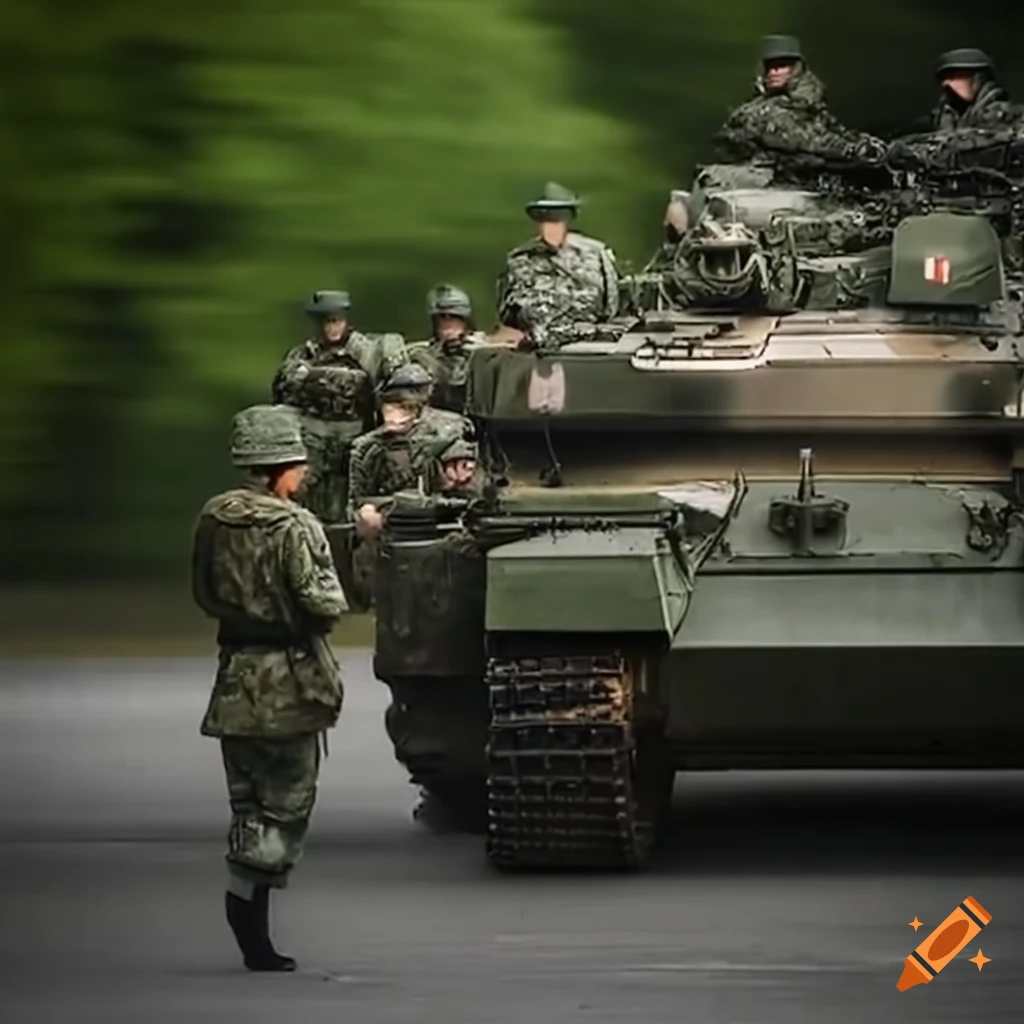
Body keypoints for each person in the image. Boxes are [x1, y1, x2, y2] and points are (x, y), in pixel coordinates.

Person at [191, 404, 347, 972]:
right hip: (290, 682)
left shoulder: (214, 515)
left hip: (235, 679)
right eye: (299, 464)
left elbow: (203, 591)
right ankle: (252, 924)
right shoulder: (296, 525)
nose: (303, 474)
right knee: (284, 808)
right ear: (279, 466)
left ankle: (246, 914)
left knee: (247, 804)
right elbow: (325, 603)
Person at [272, 290, 407, 524]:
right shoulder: (301, 355)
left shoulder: (368, 353)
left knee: (352, 515)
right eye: (323, 322)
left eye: (335, 321)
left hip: (354, 447)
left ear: (345, 320)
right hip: (312, 450)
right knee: (306, 514)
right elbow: (284, 396)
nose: (329, 328)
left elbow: (392, 395)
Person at [714, 35, 888, 171]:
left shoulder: (806, 104)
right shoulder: (767, 110)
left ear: (795, 69)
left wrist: (859, 140)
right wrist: (851, 150)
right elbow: (802, 139)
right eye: (770, 66)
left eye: (781, 65)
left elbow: (827, 127)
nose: (773, 71)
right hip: (768, 175)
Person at [348, 363, 472, 538]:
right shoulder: (366, 447)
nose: (396, 414)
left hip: (441, 513)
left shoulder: (450, 431)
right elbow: (357, 499)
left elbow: (467, 484)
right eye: (392, 406)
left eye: (405, 406)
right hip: (390, 517)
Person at [496, 182, 619, 349]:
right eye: (545, 220)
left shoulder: (597, 256)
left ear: (567, 221)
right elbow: (507, 316)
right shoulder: (520, 259)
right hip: (535, 352)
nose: (551, 227)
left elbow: (613, 307)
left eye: (557, 220)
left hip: (590, 349)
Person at [408, 284, 488, 413]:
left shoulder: (485, 353)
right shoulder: (423, 355)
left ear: (465, 321)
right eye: (442, 319)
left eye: (454, 318)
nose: (448, 326)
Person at [932, 49, 1022, 130]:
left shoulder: (1006, 116)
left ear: (979, 79)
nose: (945, 83)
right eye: (943, 78)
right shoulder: (941, 116)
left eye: (953, 76)